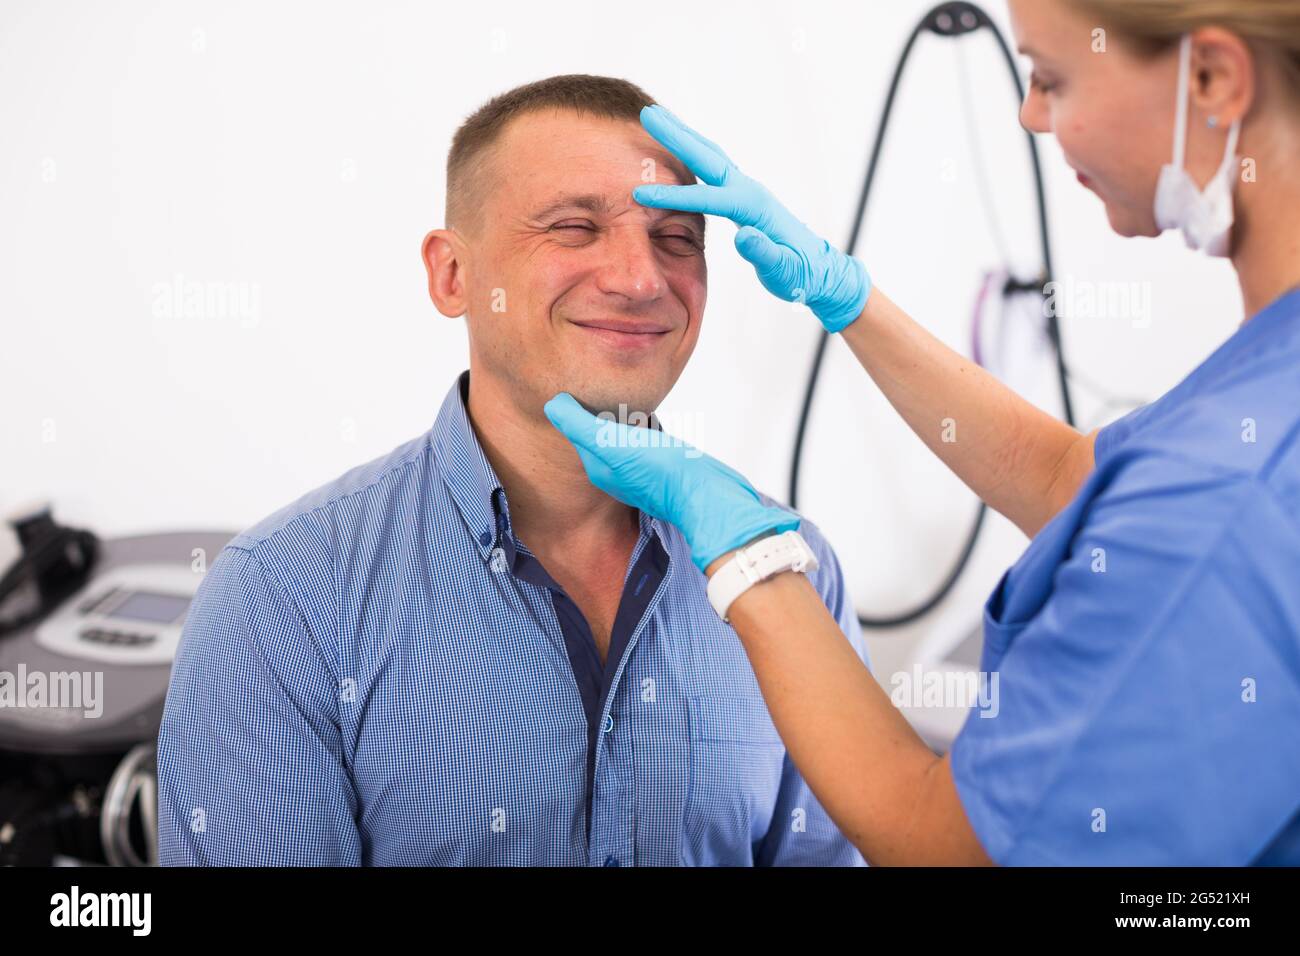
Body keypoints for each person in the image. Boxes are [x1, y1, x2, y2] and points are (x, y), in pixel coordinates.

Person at [545, 0, 1300, 865]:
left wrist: (740, 544)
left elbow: (943, 845)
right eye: (572, 228)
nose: (1031, 116)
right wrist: (847, 298)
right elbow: (1067, 479)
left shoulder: (1226, 496)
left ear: (1212, 79)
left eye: (1051, 78)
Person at [156, 74, 868, 866]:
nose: (640, 280)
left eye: (678, 239)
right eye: (573, 227)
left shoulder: (792, 573)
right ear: (451, 275)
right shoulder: (282, 600)